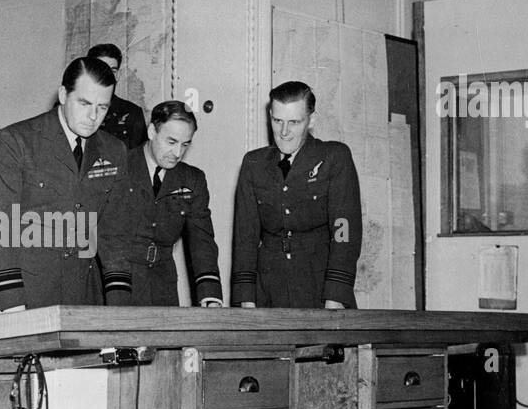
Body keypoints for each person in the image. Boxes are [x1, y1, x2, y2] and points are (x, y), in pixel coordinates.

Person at [0, 56, 133, 313]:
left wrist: (120, 307)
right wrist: (11, 305)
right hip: (16, 293)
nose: (93, 116)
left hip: (78, 295)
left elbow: (115, 234)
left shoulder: (114, 150)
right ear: (64, 94)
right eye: (84, 103)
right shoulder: (17, 141)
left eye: (103, 107)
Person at [231, 80, 362, 309]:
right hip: (268, 290)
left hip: (320, 286)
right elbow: (245, 237)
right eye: (277, 120)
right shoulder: (253, 164)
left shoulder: (334, 157)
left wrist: (336, 294)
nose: (284, 132)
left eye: (294, 122)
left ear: (312, 120)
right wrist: (245, 296)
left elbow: (344, 231)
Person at [126, 100, 223, 307]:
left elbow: (202, 241)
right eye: (171, 142)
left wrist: (210, 294)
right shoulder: (121, 167)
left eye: (185, 144)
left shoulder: (192, 180)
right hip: (122, 285)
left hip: (164, 286)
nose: (178, 153)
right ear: (152, 131)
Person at [87, 43, 147, 149]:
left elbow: (138, 159)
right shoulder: (78, 108)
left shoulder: (133, 113)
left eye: (112, 71)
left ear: (118, 75)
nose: (107, 76)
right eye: (101, 70)